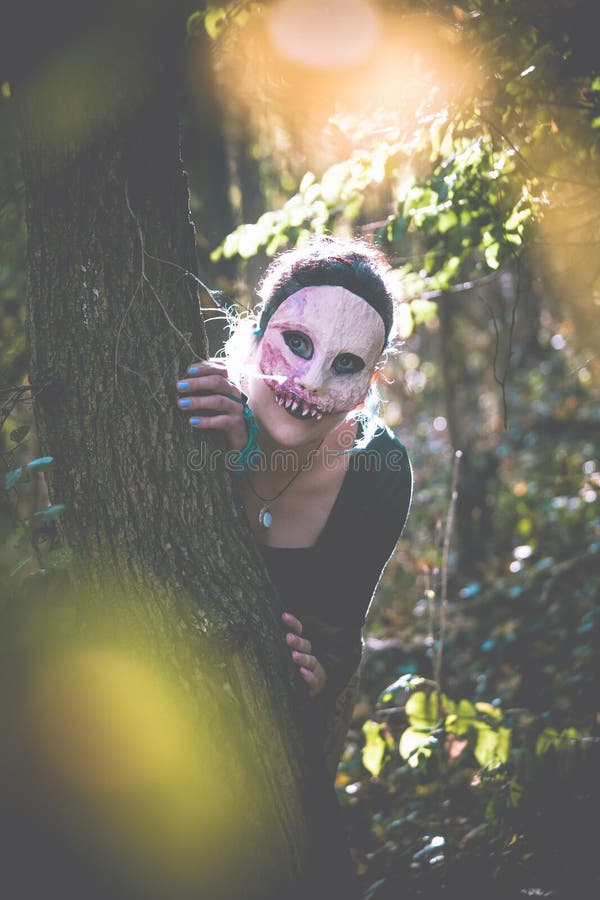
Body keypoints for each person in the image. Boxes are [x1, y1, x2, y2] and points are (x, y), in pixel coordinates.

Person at [176, 234, 412, 896]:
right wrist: (233, 465)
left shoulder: (378, 472)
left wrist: (318, 675)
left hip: (293, 730)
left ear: (369, 382)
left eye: (345, 364)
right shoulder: (201, 405)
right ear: (258, 333)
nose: (310, 383)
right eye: (298, 344)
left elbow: (339, 628)